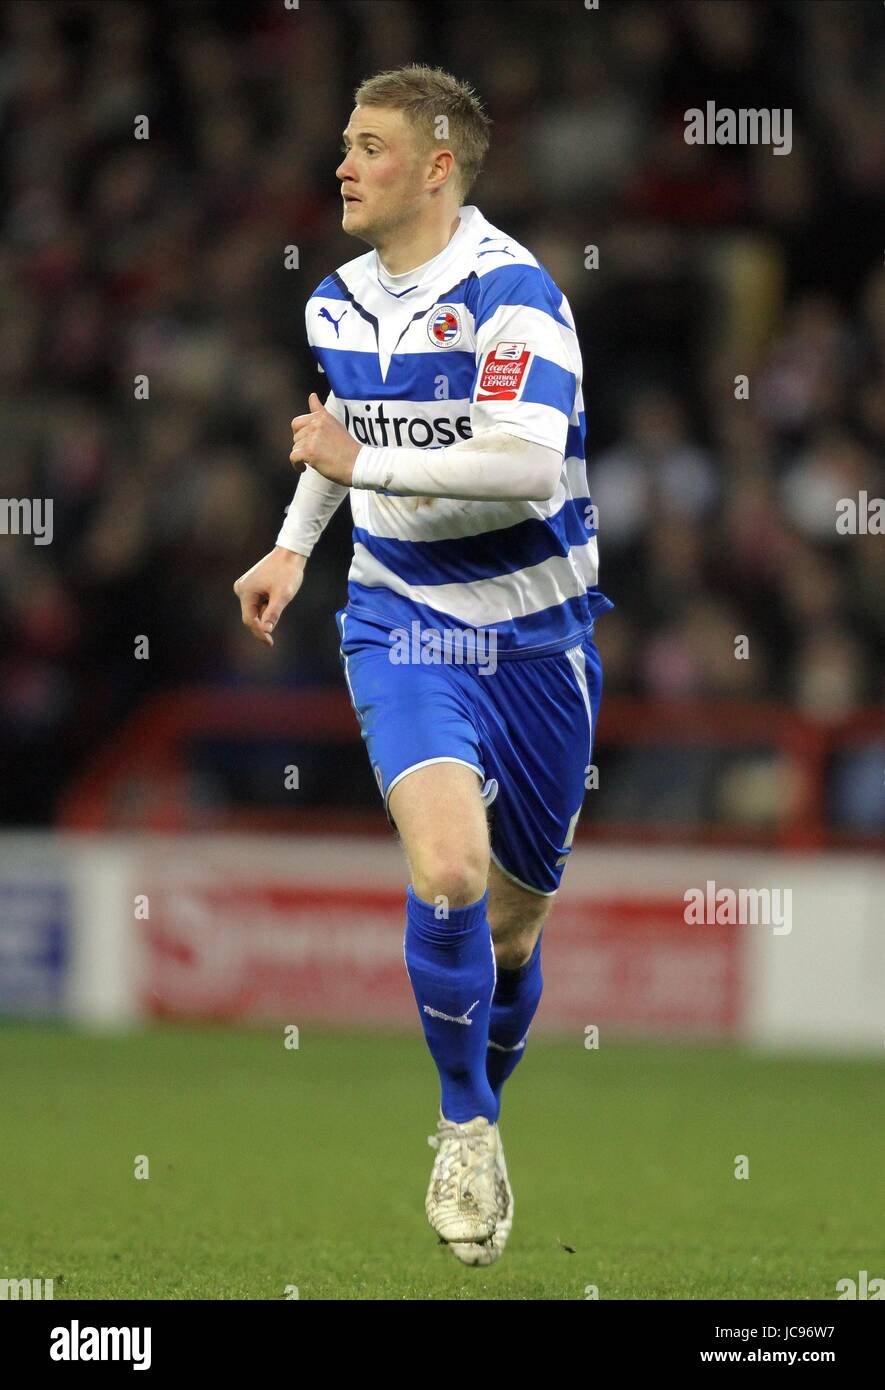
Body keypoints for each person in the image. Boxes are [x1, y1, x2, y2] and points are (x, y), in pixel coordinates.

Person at [233, 64, 612, 1266]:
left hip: (538, 642)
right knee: (448, 870)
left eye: (370, 146)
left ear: (437, 165)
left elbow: (524, 466)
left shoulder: (516, 297)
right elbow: (339, 437)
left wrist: (359, 471)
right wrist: (295, 548)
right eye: (343, 143)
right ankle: (465, 1125)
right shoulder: (338, 300)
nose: (342, 164)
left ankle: (482, 1096)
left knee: (509, 930)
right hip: (401, 623)